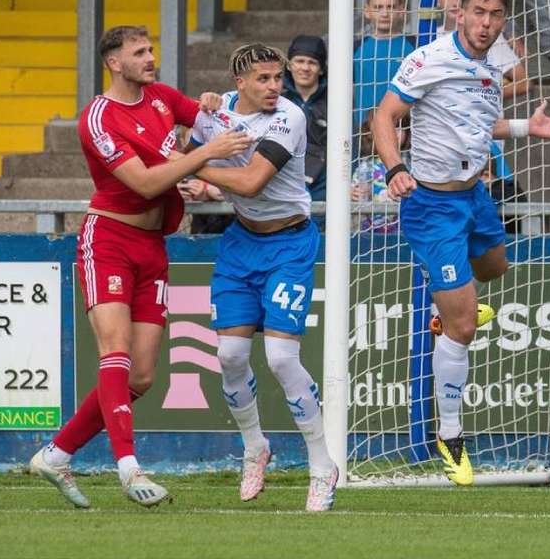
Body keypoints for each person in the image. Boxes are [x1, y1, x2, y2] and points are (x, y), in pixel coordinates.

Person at [29, 26, 250, 509]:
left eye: (152, 49)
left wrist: (214, 103)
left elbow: (214, 120)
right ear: (114, 62)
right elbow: (146, 182)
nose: (151, 58)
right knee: (116, 350)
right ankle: (128, 467)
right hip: (108, 239)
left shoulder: (162, 98)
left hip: (153, 247)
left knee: (142, 376)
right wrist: (201, 157)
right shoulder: (98, 118)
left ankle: (57, 452)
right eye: (139, 52)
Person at [372, 0, 550, 485]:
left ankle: (454, 310)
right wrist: (396, 168)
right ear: (459, 13)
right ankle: (451, 434)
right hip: (431, 204)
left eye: (495, 15)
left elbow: (482, 125)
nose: (486, 23)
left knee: (496, 269)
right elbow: (385, 115)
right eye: (478, 12)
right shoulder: (428, 59)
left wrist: (531, 128)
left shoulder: (491, 66)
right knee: (464, 328)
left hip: (475, 196)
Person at [187, 44, 336, 511]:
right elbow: (176, 158)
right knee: (230, 355)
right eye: (265, 80)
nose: (276, 87)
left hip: (290, 244)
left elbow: (251, 181)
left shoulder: (289, 117)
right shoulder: (214, 116)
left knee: (281, 359)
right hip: (240, 243)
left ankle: (322, 465)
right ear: (240, 84)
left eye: (279, 77)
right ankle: (255, 448)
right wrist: (197, 153)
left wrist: (198, 166)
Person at [438, 0, 529, 101]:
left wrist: (480, 97)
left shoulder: (486, 36)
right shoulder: (431, 36)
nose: (455, 2)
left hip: (482, 119)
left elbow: (524, 83)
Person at [354, 0, 414, 125]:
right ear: (367, 11)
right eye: (378, 7)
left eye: (391, 7)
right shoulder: (356, 48)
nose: (385, 13)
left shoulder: (414, 46)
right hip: (364, 133)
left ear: (401, 10)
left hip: (403, 130)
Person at [282, 35, 329, 202]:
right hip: (284, 187)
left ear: (321, 69)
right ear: (289, 65)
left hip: (323, 191)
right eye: (299, 61)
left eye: (312, 62)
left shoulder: (336, 104)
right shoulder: (277, 102)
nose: (305, 68)